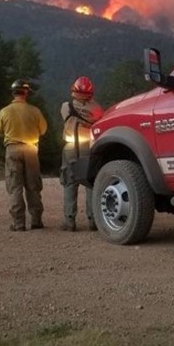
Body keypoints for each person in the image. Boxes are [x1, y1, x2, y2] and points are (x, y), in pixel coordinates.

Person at [0, 79, 48, 232]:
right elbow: (43, 130)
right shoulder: (35, 111)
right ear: (26, 93)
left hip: (12, 149)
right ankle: (36, 221)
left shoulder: (5, 111)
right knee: (33, 186)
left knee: (15, 187)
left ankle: (18, 223)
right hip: (31, 150)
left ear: (13, 93)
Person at [60, 76, 104, 231]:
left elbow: (64, 117)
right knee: (91, 183)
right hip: (90, 149)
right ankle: (93, 221)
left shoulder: (67, 106)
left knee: (70, 183)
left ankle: (69, 221)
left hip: (71, 149)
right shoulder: (97, 109)